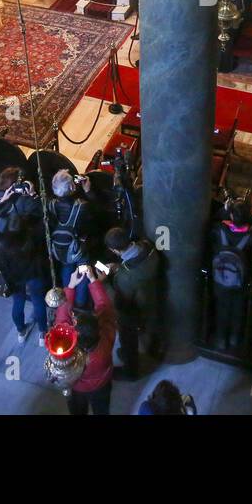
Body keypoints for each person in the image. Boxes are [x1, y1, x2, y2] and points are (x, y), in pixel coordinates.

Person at [53, 264, 117, 415]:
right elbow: (105, 307)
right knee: (102, 410)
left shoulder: (68, 349)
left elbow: (62, 319)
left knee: (77, 411)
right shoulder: (106, 340)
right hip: (101, 384)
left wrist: (71, 285)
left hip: (76, 387)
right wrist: (93, 280)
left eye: (74, 323)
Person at [104, 226, 162, 381]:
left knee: (128, 337)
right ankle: (153, 350)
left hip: (132, 308)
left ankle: (130, 371)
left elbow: (121, 297)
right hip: (151, 297)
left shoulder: (126, 276)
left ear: (115, 251)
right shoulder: (148, 247)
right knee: (151, 325)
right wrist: (119, 268)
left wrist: (107, 279)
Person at [210, 201, 252, 352]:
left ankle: (220, 340)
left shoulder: (219, 229)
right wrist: (250, 217)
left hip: (219, 279)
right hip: (240, 282)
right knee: (238, 309)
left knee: (222, 309)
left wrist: (225, 210)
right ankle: (234, 339)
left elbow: (214, 219)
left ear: (231, 215)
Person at [48, 170, 94, 308]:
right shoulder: (82, 205)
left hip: (61, 248)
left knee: (66, 268)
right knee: (84, 270)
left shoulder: (50, 204)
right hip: (79, 247)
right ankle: (80, 302)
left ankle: (68, 299)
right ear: (72, 187)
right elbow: (95, 214)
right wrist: (88, 191)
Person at [0, 226, 49, 342]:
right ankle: (42, 332)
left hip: (16, 279)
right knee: (38, 303)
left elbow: (3, 266)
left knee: (18, 303)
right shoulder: (30, 241)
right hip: (33, 276)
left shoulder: (3, 245)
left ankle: (21, 331)